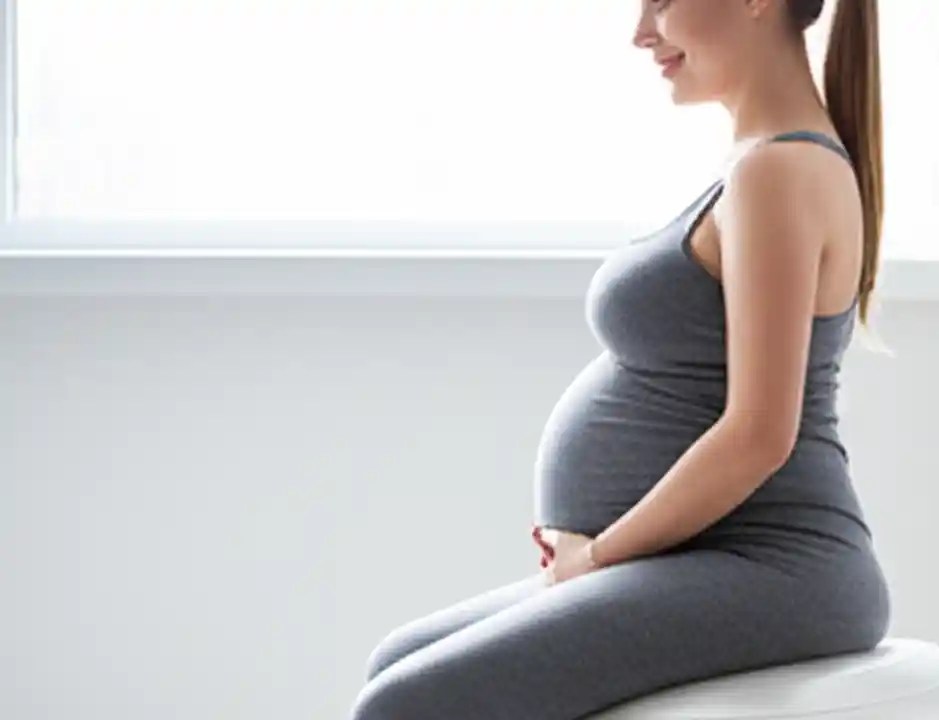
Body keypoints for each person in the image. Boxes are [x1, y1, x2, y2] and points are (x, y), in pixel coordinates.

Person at [350, 0, 889, 717]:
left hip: (776, 565)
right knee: (393, 663)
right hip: (712, 553)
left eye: (661, 2)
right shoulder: (762, 165)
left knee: (401, 706)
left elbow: (760, 433)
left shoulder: (780, 172)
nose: (641, 32)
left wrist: (598, 557)